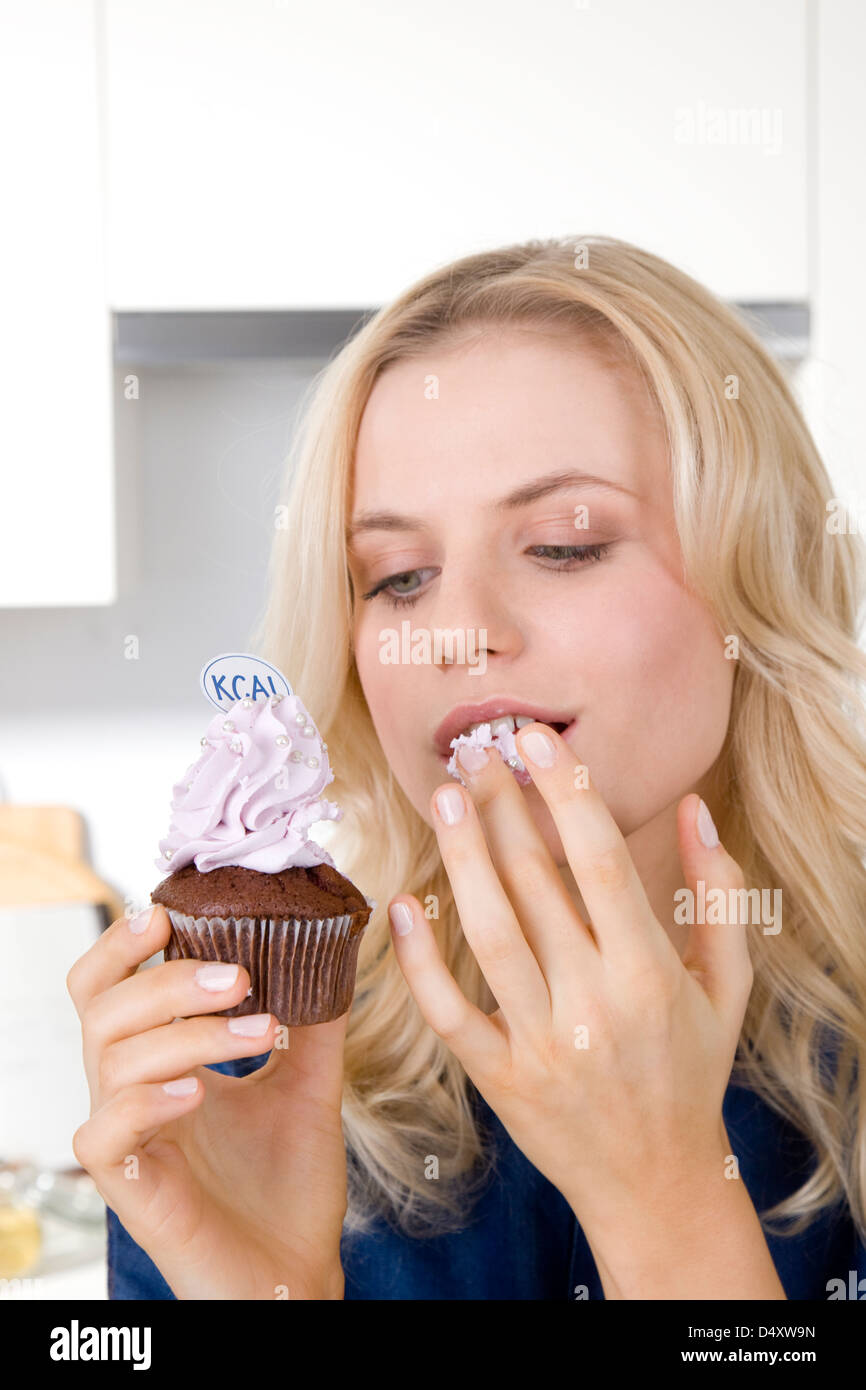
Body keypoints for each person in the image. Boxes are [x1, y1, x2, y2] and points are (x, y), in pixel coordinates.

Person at [68, 236, 866, 1299]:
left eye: (564, 544)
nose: (452, 632)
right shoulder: (249, 1077)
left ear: (756, 571)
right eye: (398, 577)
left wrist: (666, 1204)